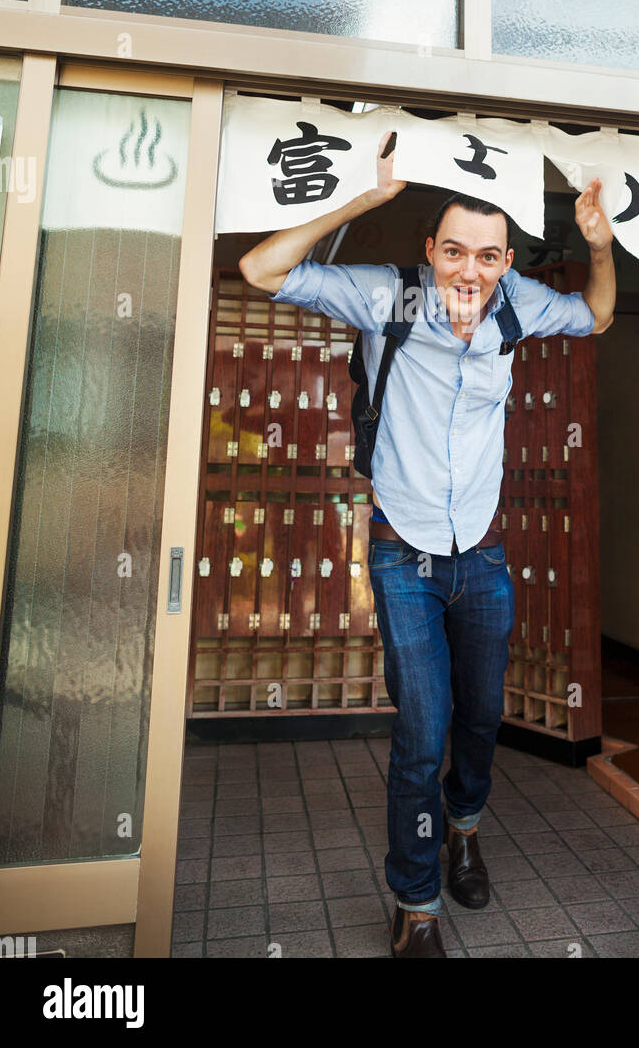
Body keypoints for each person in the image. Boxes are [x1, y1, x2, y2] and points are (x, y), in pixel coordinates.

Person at [239, 129, 616, 958]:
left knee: (480, 717)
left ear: (507, 259)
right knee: (422, 727)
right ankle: (416, 908)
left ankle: (466, 830)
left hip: (480, 551)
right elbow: (262, 272)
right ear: (429, 252)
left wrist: (601, 247)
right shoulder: (390, 299)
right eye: (453, 252)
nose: (469, 272)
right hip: (402, 549)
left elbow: (596, 313)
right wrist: (364, 199)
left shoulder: (517, 305)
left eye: (486, 255)